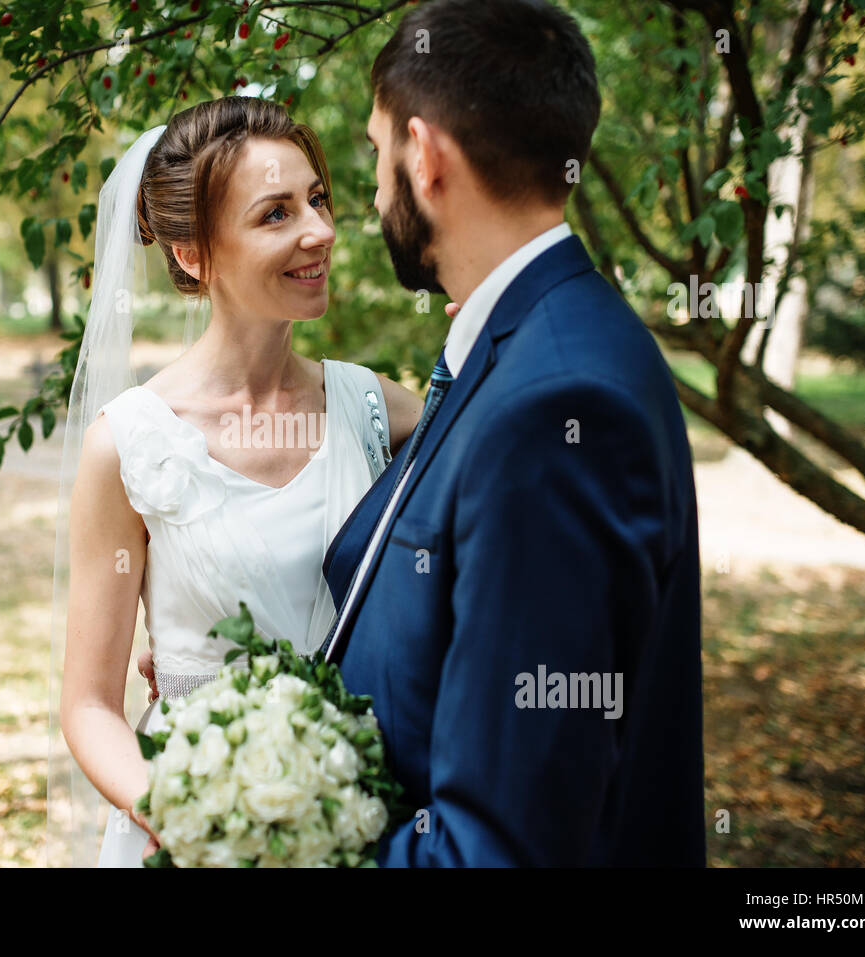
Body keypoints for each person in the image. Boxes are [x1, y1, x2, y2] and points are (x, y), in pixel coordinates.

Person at [321, 0, 706, 865]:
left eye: (378, 153)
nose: (375, 189)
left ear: (425, 157)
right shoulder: (534, 340)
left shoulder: (556, 405)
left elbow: (501, 848)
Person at [56, 96, 423, 866]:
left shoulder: (377, 410)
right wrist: (191, 814)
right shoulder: (128, 447)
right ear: (192, 253)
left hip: (364, 817)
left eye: (318, 200)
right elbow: (90, 703)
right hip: (194, 834)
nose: (319, 231)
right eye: (275, 214)